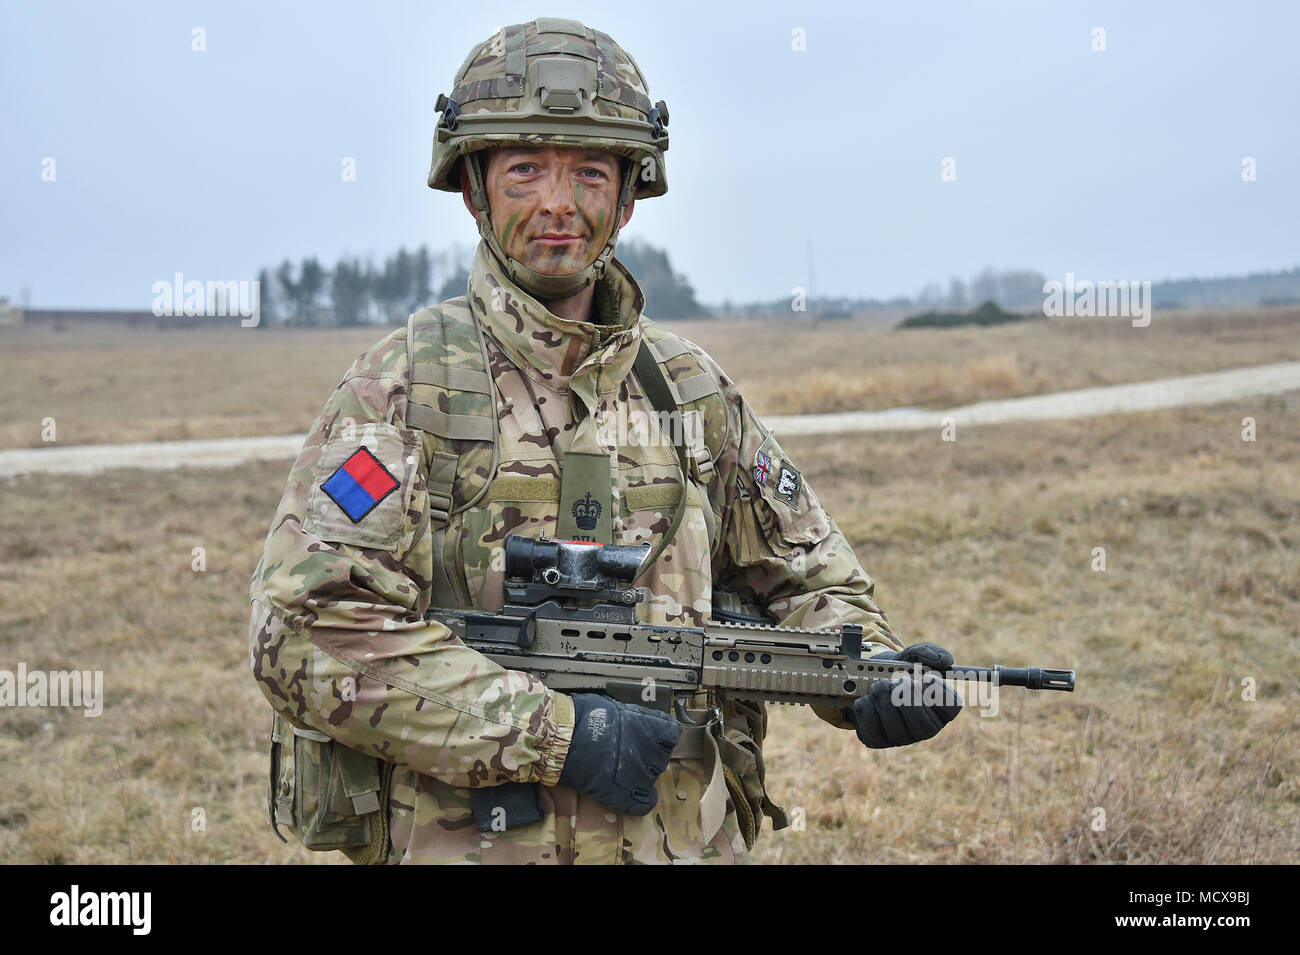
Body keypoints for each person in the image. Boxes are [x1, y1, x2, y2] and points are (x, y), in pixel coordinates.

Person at [248, 17, 961, 866]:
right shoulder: (405, 390)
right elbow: (303, 628)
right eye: (524, 171)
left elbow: (806, 573)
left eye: (588, 172)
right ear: (474, 190)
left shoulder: (688, 390)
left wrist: (869, 673)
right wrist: (555, 733)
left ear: (627, 196)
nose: (558, 203)